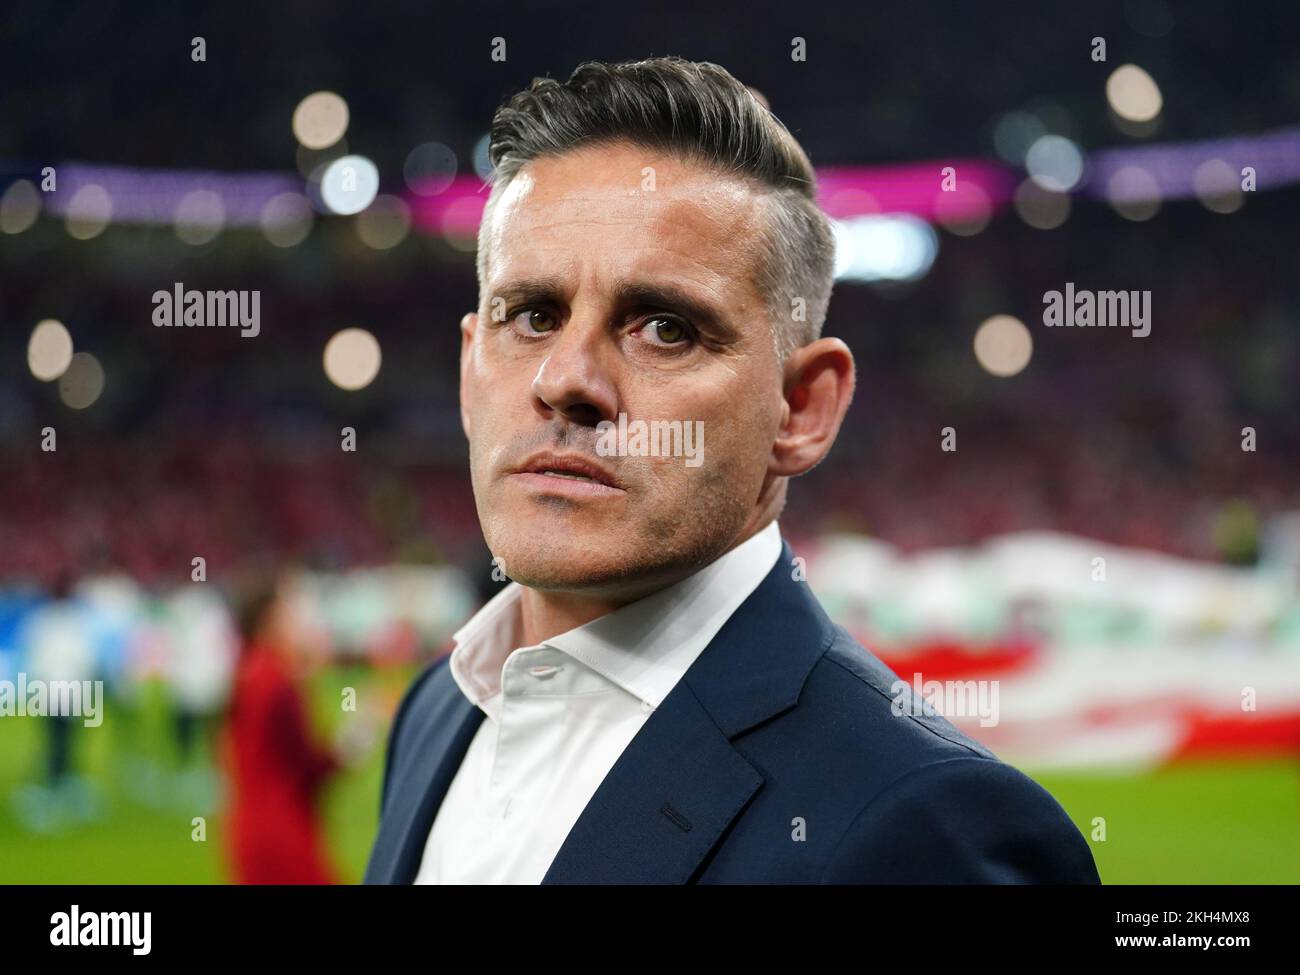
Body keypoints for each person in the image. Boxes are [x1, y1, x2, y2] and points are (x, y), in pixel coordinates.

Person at [365, 56, 1101, 884]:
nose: (565, 380)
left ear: (800, 410)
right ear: (470, 371)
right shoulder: (438, 711)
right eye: (532, 315)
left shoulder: (924, 826)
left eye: (666, 329)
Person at [223, 574, 340, 884]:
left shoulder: (248, 671)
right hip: (282, 829)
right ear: (270, 620)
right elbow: (307, 768)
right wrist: (353, 742)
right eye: (290, 613)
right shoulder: (276, 681)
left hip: (248, 826)